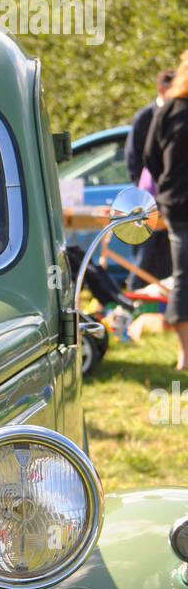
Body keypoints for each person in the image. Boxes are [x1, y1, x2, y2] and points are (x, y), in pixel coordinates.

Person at [144, 52, 188, 370]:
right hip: (180, 202)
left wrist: (166, 184)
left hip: (177, 202)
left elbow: (151, 156)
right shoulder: (173, 108)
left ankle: (185, 355)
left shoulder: (170, 108)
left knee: (184, 277)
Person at [124, 68, 175, 290]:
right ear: (161, 89)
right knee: (143, 258)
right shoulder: (145, 116)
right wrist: (144, 191)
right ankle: (132, 299)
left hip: (171, 197)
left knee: (168, 261)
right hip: (147, 196)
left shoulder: (177, 115)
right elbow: (134, 156)